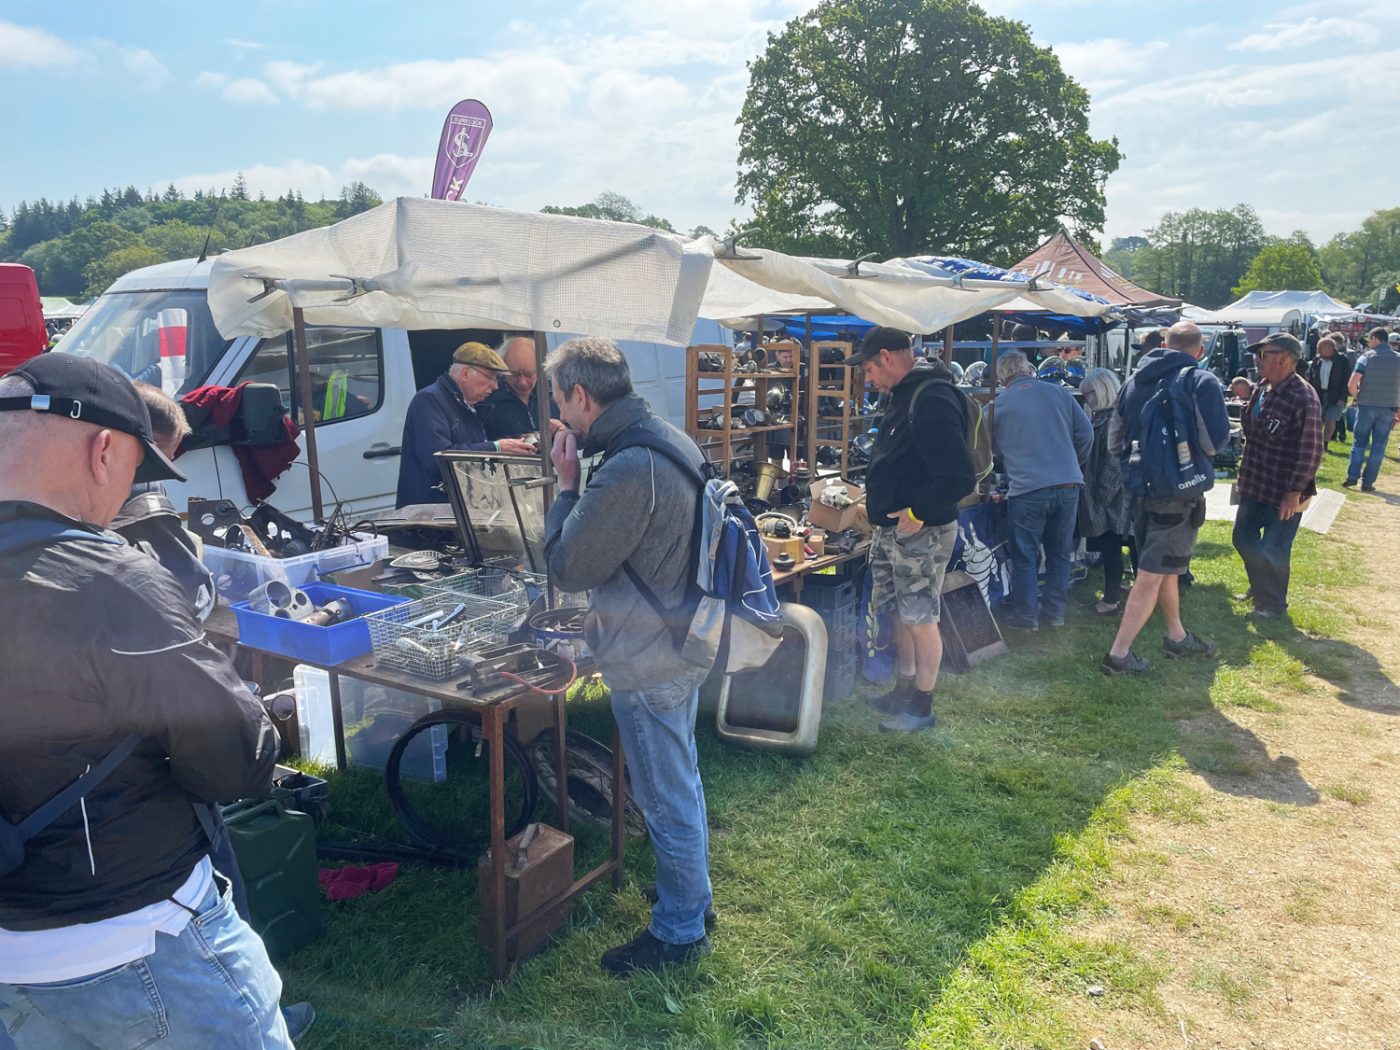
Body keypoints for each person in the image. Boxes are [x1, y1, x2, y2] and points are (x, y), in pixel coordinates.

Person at [0, 355, 291, 1048]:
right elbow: (234, 764)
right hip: (139, 936)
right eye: (137, 468)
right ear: (105, 451)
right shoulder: (109, 578)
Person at [543, 337, 716, 977]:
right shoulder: (665, 436)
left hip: (649, 658)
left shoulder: (625, 467)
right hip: (680, 636)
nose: (561, 417)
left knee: (664, 796)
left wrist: (566, 486)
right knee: (679, 781)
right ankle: (691, 897)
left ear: (583, 396)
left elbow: (568, 564)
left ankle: (678, 932)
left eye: (561, 402)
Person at [846, 327, 974, 732]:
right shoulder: (903, 395)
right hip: (894, 532)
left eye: (868, 369)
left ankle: (922, 705)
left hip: (923, 531)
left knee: (921, 617)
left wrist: (917, 510)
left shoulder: (932, 398)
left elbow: (958, 476)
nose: (867, 379)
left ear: (885, 356)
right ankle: (902, 689)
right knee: (901, 612)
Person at [1102, 321, 1230, 675]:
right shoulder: (1201, 381)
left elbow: (1115, 441)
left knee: (1165, 569)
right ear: (1199, 351)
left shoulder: (1133, 380)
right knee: (1149, 575)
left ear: (1163, 345)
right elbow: (1215, 442)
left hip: (1140, 490)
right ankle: (1118, 655)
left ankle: (1176, 636)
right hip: (1178, 494)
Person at [992, 350, 1093, 631]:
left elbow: (992, 452)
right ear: (1029, 369)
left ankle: (1027, 618)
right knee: (1060, 553)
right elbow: (1086, 435)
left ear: (1003, 378)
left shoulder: (998, 405)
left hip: (1027, 489)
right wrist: (1072, 464)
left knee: (1025, 556)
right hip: (1068, 484)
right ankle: (1055, 614)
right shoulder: (1059, 394)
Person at [1233, 334, 1323, 620]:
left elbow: (1310, 450)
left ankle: (1273, 605)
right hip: (1255, 482)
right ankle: (1260, 588)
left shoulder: (1303, 396)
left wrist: (1294, 492)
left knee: (1274, 548)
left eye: (1263, 354)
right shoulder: (1263, 387)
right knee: (1243, 538)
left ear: (1283, 358)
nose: (1257, 361)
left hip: (1285, 490)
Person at [395, 342, 536, 507]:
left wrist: (513, 445)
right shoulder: (428, 400)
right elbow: (438, 458)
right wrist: (495, 448)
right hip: (430, 515)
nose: (495, 386)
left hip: (456, 511)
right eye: (491, 377)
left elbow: (472, 448)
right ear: (466, 373)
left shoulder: (469, 406)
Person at [1078, 367, 1137, 616]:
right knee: (1129, 547)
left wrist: (1100, 499)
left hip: (1115, 500)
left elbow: (1113, 465)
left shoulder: (1112, 419)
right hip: (1118, 497)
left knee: (1113, 549)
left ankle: (1110, 602)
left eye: (1087, 394)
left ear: (1100, 391)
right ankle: (1140, 595)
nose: (1086, 400)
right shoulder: (1109, 417)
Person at [1343, 327, 1400, 492]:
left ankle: (1352, 477)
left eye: (1369, 340)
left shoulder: (1366, 357)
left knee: (1359, 443)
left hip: (1366, 405)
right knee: (1379, 446)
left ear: (1375, 339)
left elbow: (1352, 383)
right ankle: (1368, 483)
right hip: (1389, 407)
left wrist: (1357, 397)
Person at [483, 335, 563, 442]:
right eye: (515, 374)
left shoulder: (558, 391)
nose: (522, 382)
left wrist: (563, 430)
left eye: (528, 374)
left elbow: (582, 435)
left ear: (540, 369)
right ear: (503, 368)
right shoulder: (487, 398)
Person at [1305, 335, 1352, 445]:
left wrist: (1343, 398)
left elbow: (1347, 380)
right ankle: (1315, 441)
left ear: (1329, 348)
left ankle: (1325, 442)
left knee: (1331, 419)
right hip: (1319, 394)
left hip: (1336, 395)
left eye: (1320, 348)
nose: (1318, 350)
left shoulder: (1342, 360)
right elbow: (1312, 377)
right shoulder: (1317, 360)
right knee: (1318, 419)